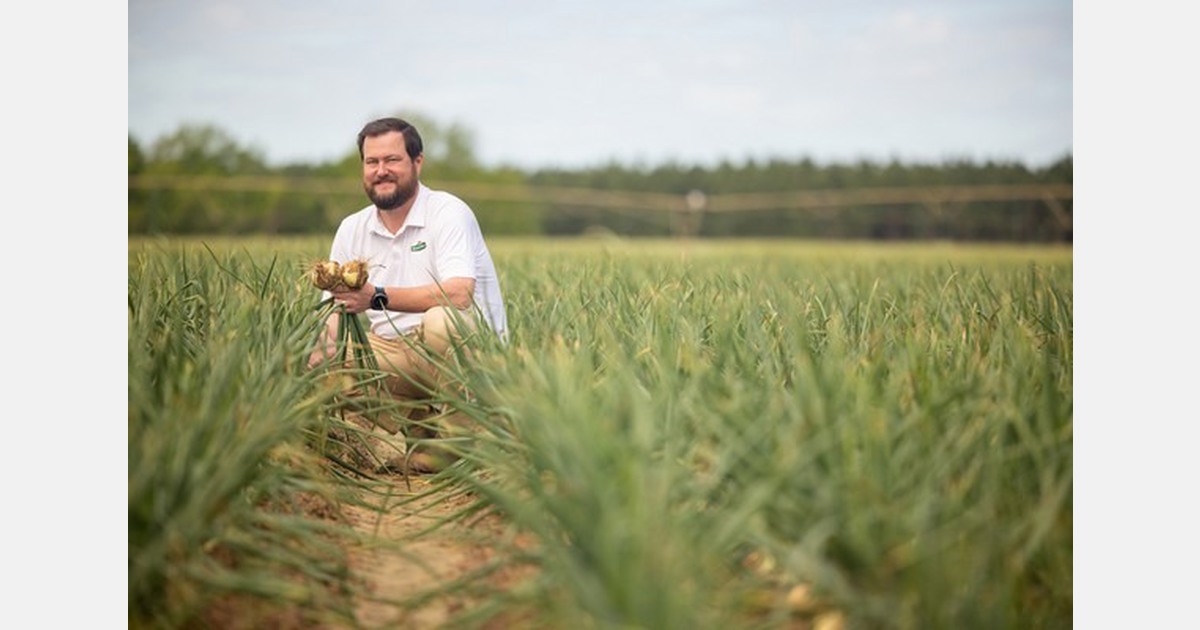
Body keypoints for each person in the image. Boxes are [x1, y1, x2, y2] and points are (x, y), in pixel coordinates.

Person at [308, 116, 507, 474]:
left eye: (392, 160)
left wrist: (376, 297)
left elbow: (459, 294)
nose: (381, 170)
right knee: (327, 357)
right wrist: (315, 361)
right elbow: (333, 312)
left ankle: (462, 442)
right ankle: (422, 434)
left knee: (441, 320)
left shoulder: (447, 211)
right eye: (372, 162)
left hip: (463, 354)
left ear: (417, 162)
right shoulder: (352, 228)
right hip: (396, 353)